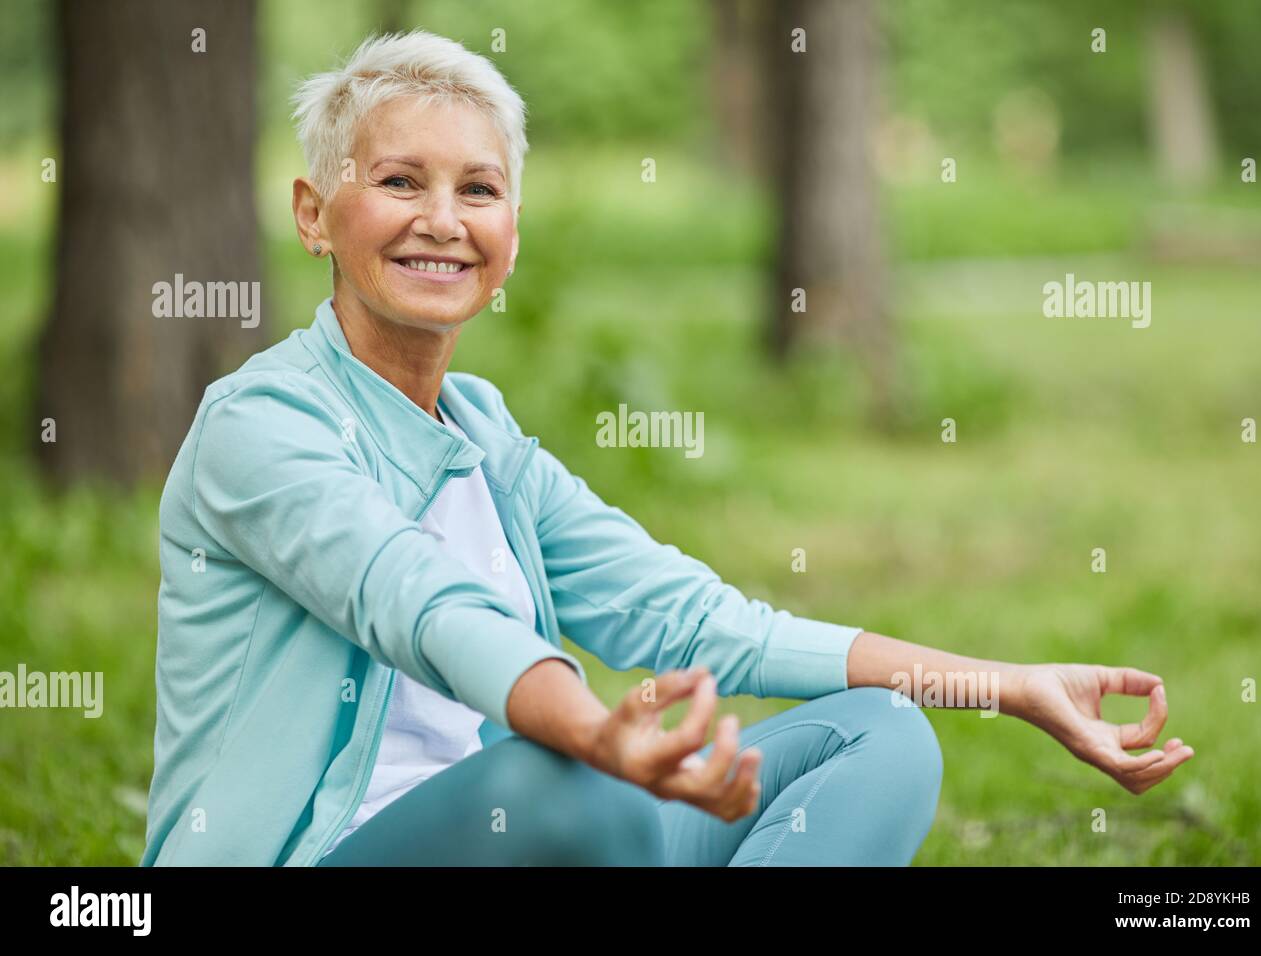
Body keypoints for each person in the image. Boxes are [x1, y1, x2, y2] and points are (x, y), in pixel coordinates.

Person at [141, 30, 1193, 867]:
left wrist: (1009, 685)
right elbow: (417, 602)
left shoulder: (484, 437)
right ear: (315, 214)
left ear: (511, 227)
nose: (443, 220)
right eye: (401, 182)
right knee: (552, 785)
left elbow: (703, 619)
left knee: (881, 733)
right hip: (366, 845)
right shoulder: (260, 424)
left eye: (478, 188)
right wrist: (595, 734)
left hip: (553, 834)